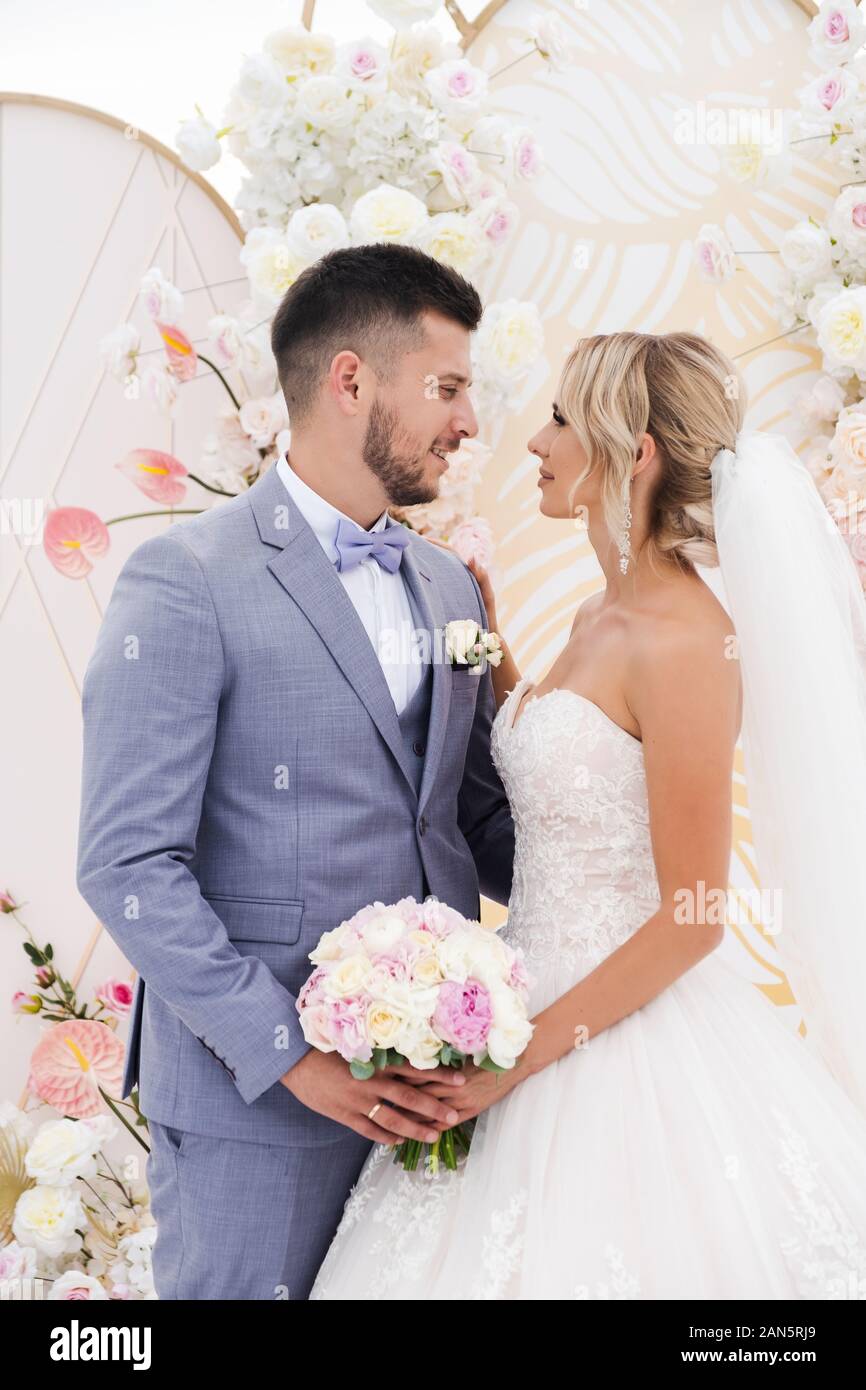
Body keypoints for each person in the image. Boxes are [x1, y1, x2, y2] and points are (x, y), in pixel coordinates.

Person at [309, 331, 866, 1300]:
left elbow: (691, 918)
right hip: (523, 987)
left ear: (634, 452)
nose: (534, 441)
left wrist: (510, 1063)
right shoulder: (595, 615)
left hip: (619, 1035)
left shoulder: (690, 642)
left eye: (561, 419)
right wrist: (485, 641)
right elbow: (570, 762)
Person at [75, 244, 515, 1300]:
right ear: (351, 379)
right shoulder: (184, 579)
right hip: (256, 1105)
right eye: (447, 388)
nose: (467, 422)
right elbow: (128, 861)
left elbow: (466, 819)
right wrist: (294, 1058)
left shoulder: (450, 583)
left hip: (433, 1098)